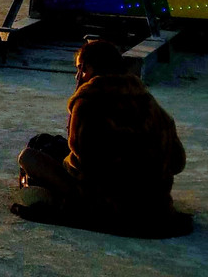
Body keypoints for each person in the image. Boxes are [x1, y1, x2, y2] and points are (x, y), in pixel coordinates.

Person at [16, 39, 188, 235]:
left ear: (86, 69)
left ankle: (51, 198)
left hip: (108, 204)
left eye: (79, 69)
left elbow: (85, 168)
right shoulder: (150, 104)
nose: (76, 76)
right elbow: (177, 162)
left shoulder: (88, 101)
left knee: (29, 156)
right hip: (154, 204)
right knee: (54, 147)